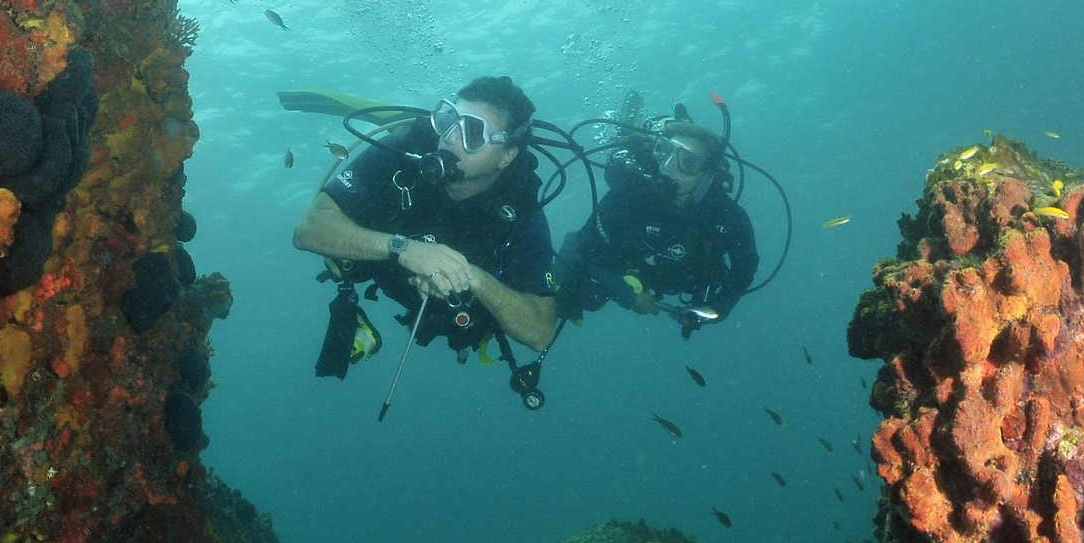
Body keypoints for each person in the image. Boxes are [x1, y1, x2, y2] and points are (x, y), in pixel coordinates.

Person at [294, 77, 557, 378]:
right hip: (383, 269)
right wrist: (404, 250)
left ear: (507, 155)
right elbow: (308, 228)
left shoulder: (520, 213)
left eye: (472, 132)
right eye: (449, 120)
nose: (450, 137)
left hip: (452, 316)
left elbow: (541, 332)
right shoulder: (400, 153)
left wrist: (468, 275)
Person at [553, 109, 757, 335]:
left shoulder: (727, 216)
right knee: (587, 298)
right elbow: (586, 249)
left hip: (680, 277)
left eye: (687, 161)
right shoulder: (629, 195)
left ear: (708, 174)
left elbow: (746, 264)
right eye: (664, 151)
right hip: (629, 266)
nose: (668, 166)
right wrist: (628, 296)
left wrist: (718, 308)